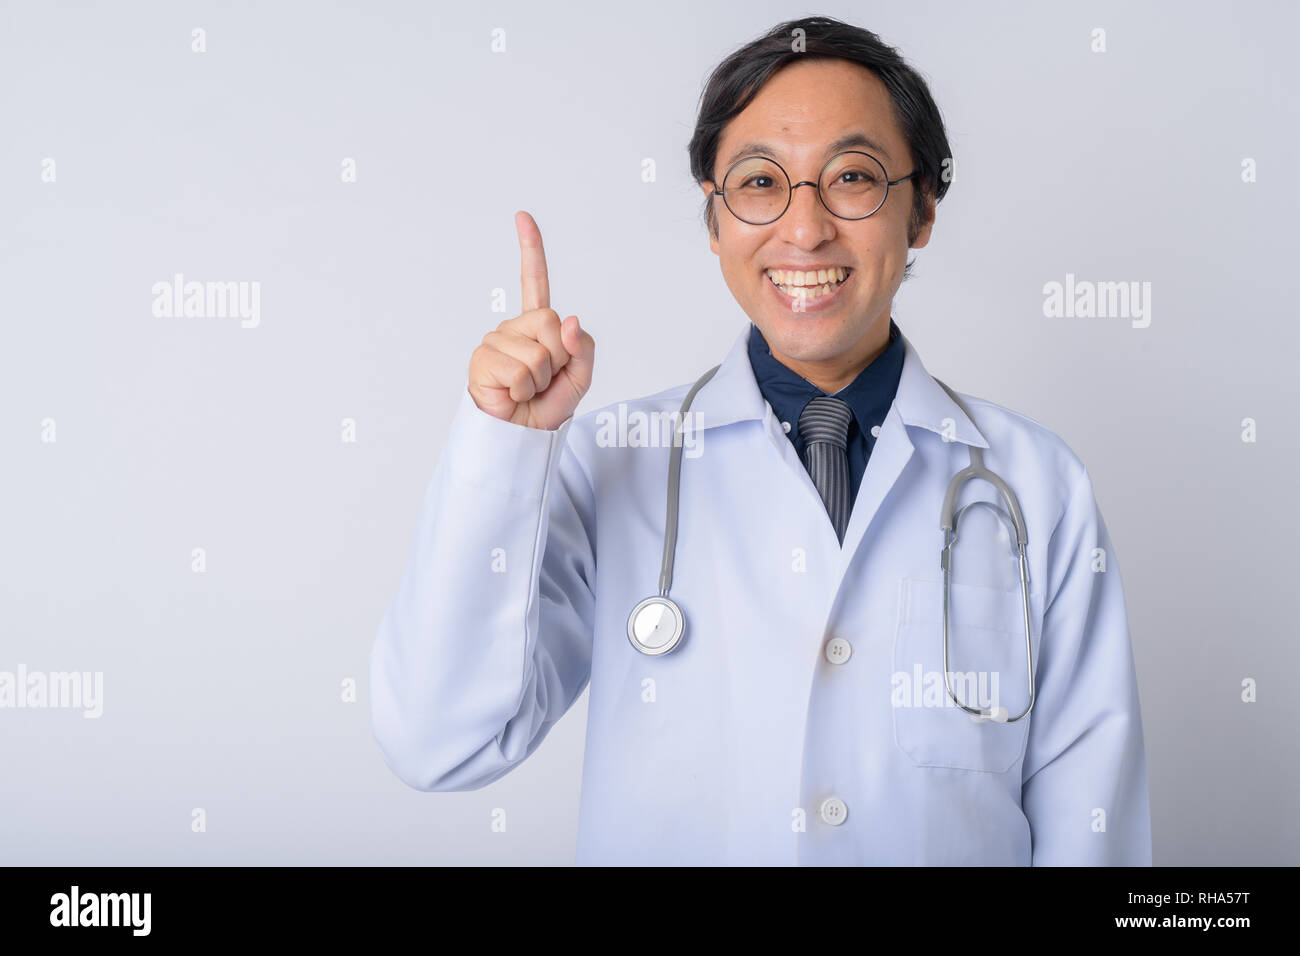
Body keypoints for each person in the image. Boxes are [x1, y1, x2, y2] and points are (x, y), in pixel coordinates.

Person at [368, 15, 1151, 866]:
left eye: (852, 177)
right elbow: (439, 742)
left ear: (922, 208)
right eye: (758, 182)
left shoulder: (1036, 486)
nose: (805, 229)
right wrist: (502, 450)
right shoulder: (612, 462)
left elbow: (1091, 826)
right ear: (714, 220)